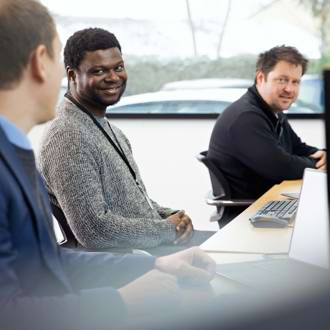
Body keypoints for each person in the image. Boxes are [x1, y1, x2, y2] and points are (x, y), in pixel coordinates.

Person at [0, 1, 216, 329]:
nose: (112, 77)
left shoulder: (17, 153)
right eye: (59, 61)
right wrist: (120, 302)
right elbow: (9, 310)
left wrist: (155, 268)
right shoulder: (58, 138)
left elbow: (46, 262)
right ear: (40, 62)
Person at [37, 27, 197, 250]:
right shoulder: (68, 137)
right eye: (99, 71)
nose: (113, 78)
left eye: (118, 67)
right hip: (129, 265)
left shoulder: (107, 127)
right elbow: (94, 230)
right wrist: (167, 229)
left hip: (146, 249)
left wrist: (171, 216)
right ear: (72, 75)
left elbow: (132, 203)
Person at [208, 45, 326, 204]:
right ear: (261, 78)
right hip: (249, 215)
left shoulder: (273, 111)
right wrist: (319, 164)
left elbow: (298, 148)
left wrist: (324, 154)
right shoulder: (245, 118)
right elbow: (282, 168)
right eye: (282, 80)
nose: (290, 89)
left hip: (273, 203)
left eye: (295, 82)